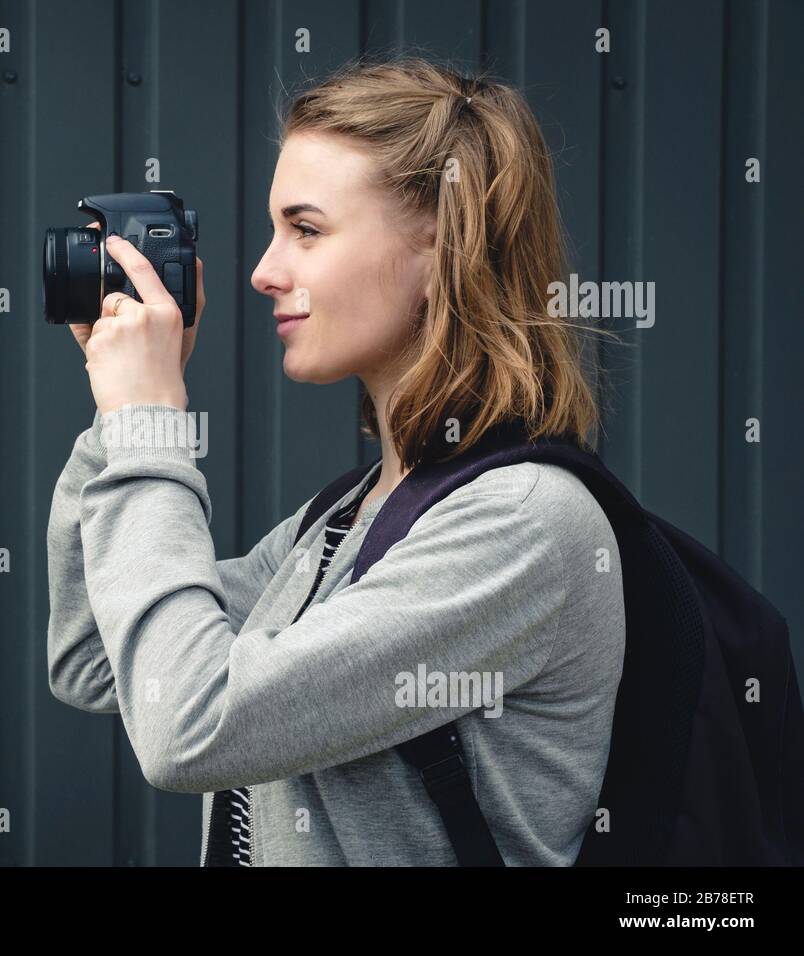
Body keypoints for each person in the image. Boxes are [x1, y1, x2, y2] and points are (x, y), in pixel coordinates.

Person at [46, 56, 626, 866]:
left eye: (306, 229)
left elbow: (186, 727)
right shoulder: (341, 522)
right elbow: (96, 664)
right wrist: (118, 421)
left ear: (439, 246)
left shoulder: (522, 524)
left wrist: (149, 423)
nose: (261, 271)